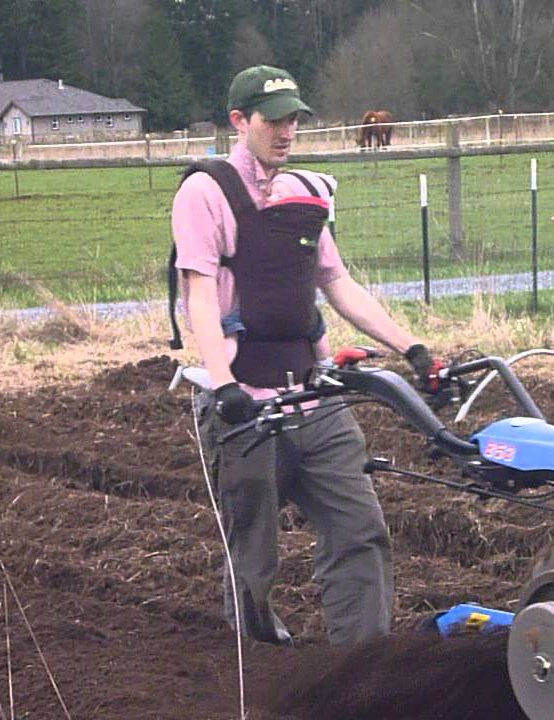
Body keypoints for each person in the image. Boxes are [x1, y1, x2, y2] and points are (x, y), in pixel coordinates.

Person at [171, 64, 445, 645]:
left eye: (294, 119)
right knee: (253, 556)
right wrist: (222, 385)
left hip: (313, 396)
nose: (287, 131)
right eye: (274, 120)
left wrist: (411, 348)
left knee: (361, 530)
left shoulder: (304, 194)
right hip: (244, 403)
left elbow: (338, 283)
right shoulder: (205, 193)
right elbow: (198, 295)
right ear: (239, 121)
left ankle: (361, 666)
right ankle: (263, 668)